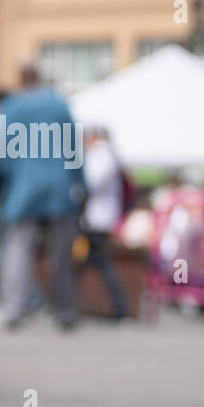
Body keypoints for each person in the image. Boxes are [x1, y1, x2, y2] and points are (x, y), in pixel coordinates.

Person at [0, 62, 87, 330]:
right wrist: (82, 186)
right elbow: (74, 150)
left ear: (20, 78)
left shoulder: (11, 108)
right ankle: (64, 312)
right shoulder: (59, 105)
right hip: (60, 188)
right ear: (39, 77)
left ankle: (14, 310)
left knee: (18, 248)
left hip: (22, 190)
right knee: (60, 253)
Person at [80, 126, 129, 319]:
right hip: (95, 219)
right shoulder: (102, 156)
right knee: (85, 261)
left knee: (99, 261)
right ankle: (69, 304)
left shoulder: (102, 156)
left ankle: (119, 307)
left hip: (97, 220)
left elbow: (91, 183)